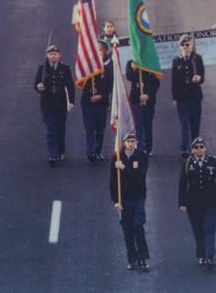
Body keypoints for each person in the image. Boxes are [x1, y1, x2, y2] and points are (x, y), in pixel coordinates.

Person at [178, 137, 216, 270]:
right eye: (196, 147)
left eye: (201, 147)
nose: (199, 149)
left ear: (205, 148)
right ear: (192, 150)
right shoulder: (188, 163)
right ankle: (201, 254)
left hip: (212, 201)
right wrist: (181, 202)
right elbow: (183, 183)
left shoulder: (213, 161)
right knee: (198, 228)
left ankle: (210, 255)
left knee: (209, 227)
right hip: (193, 202)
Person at [110, 132, 151, 273]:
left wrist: (124, 168)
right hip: (124, 200)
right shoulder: (117, 157)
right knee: (128, 231)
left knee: (138, 226)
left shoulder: (141, 156)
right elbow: (113, 182)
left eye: (133, 140)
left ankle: (142, 258)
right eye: (128, 141)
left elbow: (140, 176)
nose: (130, 143)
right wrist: (116, 201)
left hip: (138, 198)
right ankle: (132, 259)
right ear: (124, 142)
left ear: (136, 142)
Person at [34, 45, 75, 165]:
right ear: (47, 55)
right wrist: (38, 87)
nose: (53, 56)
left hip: (61, 103)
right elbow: (36, 83)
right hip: (47, 103)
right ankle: (53, 154)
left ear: (59, 55)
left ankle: (61, 151)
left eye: (55, 54)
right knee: (51, 129)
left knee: (60, 128)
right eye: (51, 54)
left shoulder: (65, 68)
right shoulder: (42, 68)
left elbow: (70, 85)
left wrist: (71, 101)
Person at [172, 35, 205, 158]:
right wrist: (174, 98)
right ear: (180, 46)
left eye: (188, 45)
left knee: (195, 123)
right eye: (183, 45)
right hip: (182, 98)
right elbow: (174, 81)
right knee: (184, 122)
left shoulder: (197, 59)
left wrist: (199, 78)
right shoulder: (176, 61)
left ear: (191, 46)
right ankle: (185, 148)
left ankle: (195, 146)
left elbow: (202, 76)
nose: (185, 47)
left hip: (195, 97)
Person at [81, 41, 113, 162]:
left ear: (105, 51)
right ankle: (91, 152)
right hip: (88, 102)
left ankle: (97, 151)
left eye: (100, 50)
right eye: (95, 50)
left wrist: (101, 95)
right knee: (89, 127)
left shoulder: (109, 66)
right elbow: (81, 81)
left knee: (100, 127)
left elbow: (110, 84)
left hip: (101, 102)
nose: (98, 53)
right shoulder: (87, 66)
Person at [125, 60, 160, 156]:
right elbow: (129, 77)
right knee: (138, 125)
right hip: (136, 100)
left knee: (148, 125)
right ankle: (140, 148)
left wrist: (148, 95)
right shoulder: (131, 63)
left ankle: (148, 149)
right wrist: (133, 69)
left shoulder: (150, 61)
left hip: (149, 101)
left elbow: (156, 83)